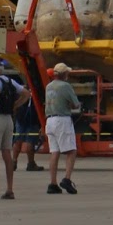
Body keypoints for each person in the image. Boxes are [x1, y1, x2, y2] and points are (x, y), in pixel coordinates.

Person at [0, 57, 29, 199]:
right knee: (7, 153)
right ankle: (9, 189)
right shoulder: (9, 80)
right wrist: (15, 105)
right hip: (8, 119)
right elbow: (26, 94)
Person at [43, 61, 81, 196]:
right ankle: (67, 178)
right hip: (62, 120)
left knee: (54, 152)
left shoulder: (49, 86)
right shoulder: (66, 86)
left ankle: (52, 183)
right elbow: (76, 104)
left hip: (50, 120)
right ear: (64, 74)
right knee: (71, 151)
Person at [12, 94, 44, 173]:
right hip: (32, 119)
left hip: (20, 117)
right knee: (30, 141)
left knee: (18, 140)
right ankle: (31, 163)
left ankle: (13, 162)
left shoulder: (22, 91)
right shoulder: (36, 92)